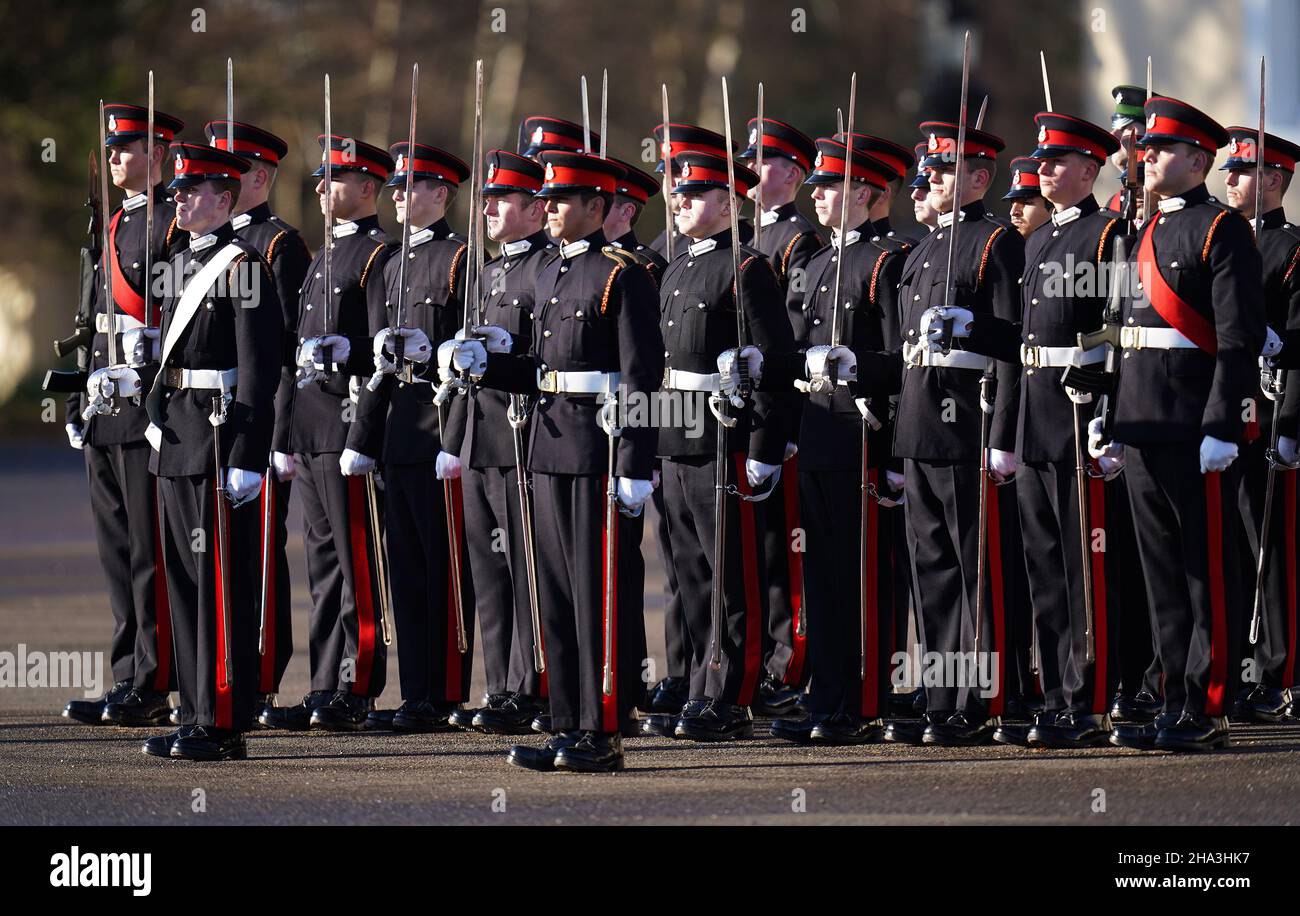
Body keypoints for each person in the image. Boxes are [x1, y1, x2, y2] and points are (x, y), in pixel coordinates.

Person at [451, 151, 663, 772]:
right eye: (545, 199)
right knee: (558, 596)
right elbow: (544, 370)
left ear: (597, 208)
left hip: (597, 450)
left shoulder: (620, 275)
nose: (548, 209)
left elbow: (642, 379)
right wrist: (486, 363)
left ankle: (604, 729)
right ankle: (569, 722)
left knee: (596, 591)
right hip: (546, 446)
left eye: (561, 201)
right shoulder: (548, 274)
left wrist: (633, 465)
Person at [1104, 97, 1265, 752]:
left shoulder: (1220, 230)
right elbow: (1124, 336)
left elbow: (1237, 337)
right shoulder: (1142, 232)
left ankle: (1209, 702)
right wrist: (1112, 419)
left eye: (1163, 149)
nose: (1149, 157)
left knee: (1207, 570)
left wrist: (1223, 425)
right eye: (1148, 149)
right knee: (1162, 575)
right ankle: (1173, 695)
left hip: (1195, 429)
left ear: (1198, 160)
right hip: (1141, 423)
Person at [639, 150, 796, 742]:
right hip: (677, 436)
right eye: (677, 193)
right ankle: (703, 687)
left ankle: (734, 693)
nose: (677, 202)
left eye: (694, 194)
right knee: (691, 574)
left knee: (733, 575)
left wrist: (762, 445)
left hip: (724, 440)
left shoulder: (748, 268)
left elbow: (776, 363)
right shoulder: (675, 268)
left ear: (730, 203)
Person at [140, 140, 282, 760]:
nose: (180, 199)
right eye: (177, 190)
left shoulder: (244, 265)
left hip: (223, 436)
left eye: (192, 191)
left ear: (224, 200)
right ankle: (195, 709)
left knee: (220, 581)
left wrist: (250, 455)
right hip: (178, 434)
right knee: (185, 581)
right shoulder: (180, 260)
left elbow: (259, 370)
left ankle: (224, 718)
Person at [885, 120, 1025, 746]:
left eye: (944, 171)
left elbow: (1018, 343)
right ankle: (943, 694)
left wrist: (1003, 433)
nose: (931, 181)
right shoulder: (918, 250)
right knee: (933, 570)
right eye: (930, 171)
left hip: (969, 423)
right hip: (919, 425)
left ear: (978, 178)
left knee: (978, 570)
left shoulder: (997, 244)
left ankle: (984, 695)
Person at [993, 113, 1124, 748]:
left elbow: (1123, 320)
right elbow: (1023, 341)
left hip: (1078, 414)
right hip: (1038, 416)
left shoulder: (1108, 236)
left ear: (1090, 171)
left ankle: (1090, 697)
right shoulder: (1041, 240)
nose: (1041, 171)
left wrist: (1096, 372)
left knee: (1083, 564)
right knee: (1043, 564)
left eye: (1055, 163)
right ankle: (1056, 693)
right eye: (1041, 162)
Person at [767, 137, 905, 743]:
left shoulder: (890, 259)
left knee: (867, 573)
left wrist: (862, 370)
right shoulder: (817, 262)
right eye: (816, 185)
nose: (815, 194)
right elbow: (796, 348)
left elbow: (905, 359)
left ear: (868, 194)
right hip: (819, 431)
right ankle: (827, 697)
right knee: (822, 575)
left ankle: (866, 699)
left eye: (831, 186)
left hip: (866, 433)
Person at [259, 135, 396, 731]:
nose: (321, 189)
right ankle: (322, 683)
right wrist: (284, 434)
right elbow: (293, 354)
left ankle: (356, 682)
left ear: (368, 189)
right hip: (311, 425)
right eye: (320, 179)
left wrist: (362, 436)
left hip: (347, 423)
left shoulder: (378, 257)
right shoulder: (321, 256)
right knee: (321, 565)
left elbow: (388, 352)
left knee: (355, 559)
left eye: (334, 180)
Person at [346, 141, 475, 732]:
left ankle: (446, 691)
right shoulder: (389, 263)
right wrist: (364, 437)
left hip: (438, 431)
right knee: (404, 570)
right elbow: (376, 365)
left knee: (444, 568)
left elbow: (471, 363)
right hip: (397, 435)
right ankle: (415, 689)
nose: (397, 196)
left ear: (441, 195)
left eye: (410, 188)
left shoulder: (460, 260)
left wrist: (457, 439)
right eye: (395, 187)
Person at [65, 103, 186, 729]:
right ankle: (126, 675)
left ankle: (155, 676)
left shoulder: (172, 223)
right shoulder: (113, 222)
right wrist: (79, 392)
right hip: (106, 402)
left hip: (149, 408)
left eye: (127, 148)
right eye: (111, 149)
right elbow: (91, 320)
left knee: (150, 551)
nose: (114, 158)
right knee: (116, 550)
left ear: (159, 155)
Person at [203, 118, 310, 724]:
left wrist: (280, 432)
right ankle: (216, 676)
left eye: (229, 174)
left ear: (259, 178)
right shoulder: (209, 246)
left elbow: (284, 350)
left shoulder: (278, 244)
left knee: (261, 555)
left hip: (257, 419)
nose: (215, 182)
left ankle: (261, 675)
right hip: (207, 421)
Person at [448, 149, 554, 733]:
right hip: (481, 434)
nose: (488, 209)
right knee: (488, 570)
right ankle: (501, 687)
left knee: (526, 566)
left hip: (524, 435)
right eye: (486, 199)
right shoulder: (486, 272)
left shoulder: (547, 268)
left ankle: (532, 683)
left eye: (502, 200)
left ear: (536, 209)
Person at [739, 115, 825, 715]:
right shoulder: (744, 237)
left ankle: (788, 665)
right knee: (748, 551)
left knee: (783, 553)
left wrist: (782, 427)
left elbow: (791, 337)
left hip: (781, 413)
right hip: (739, 410)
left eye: (761, 162)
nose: (748, 171)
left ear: (793, 174)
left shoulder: (796, 242)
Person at [1220, 125, 1300, 722]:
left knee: (1273, 548)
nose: (1230, 179)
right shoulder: (1223, 242)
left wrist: (1291, 421)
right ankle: (1238, 668)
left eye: (1243, 171)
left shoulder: (1293, 248)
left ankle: (1283, 673)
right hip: (1224, 414)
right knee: (1230, 547)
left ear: (1273, 180)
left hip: (1271, 413)